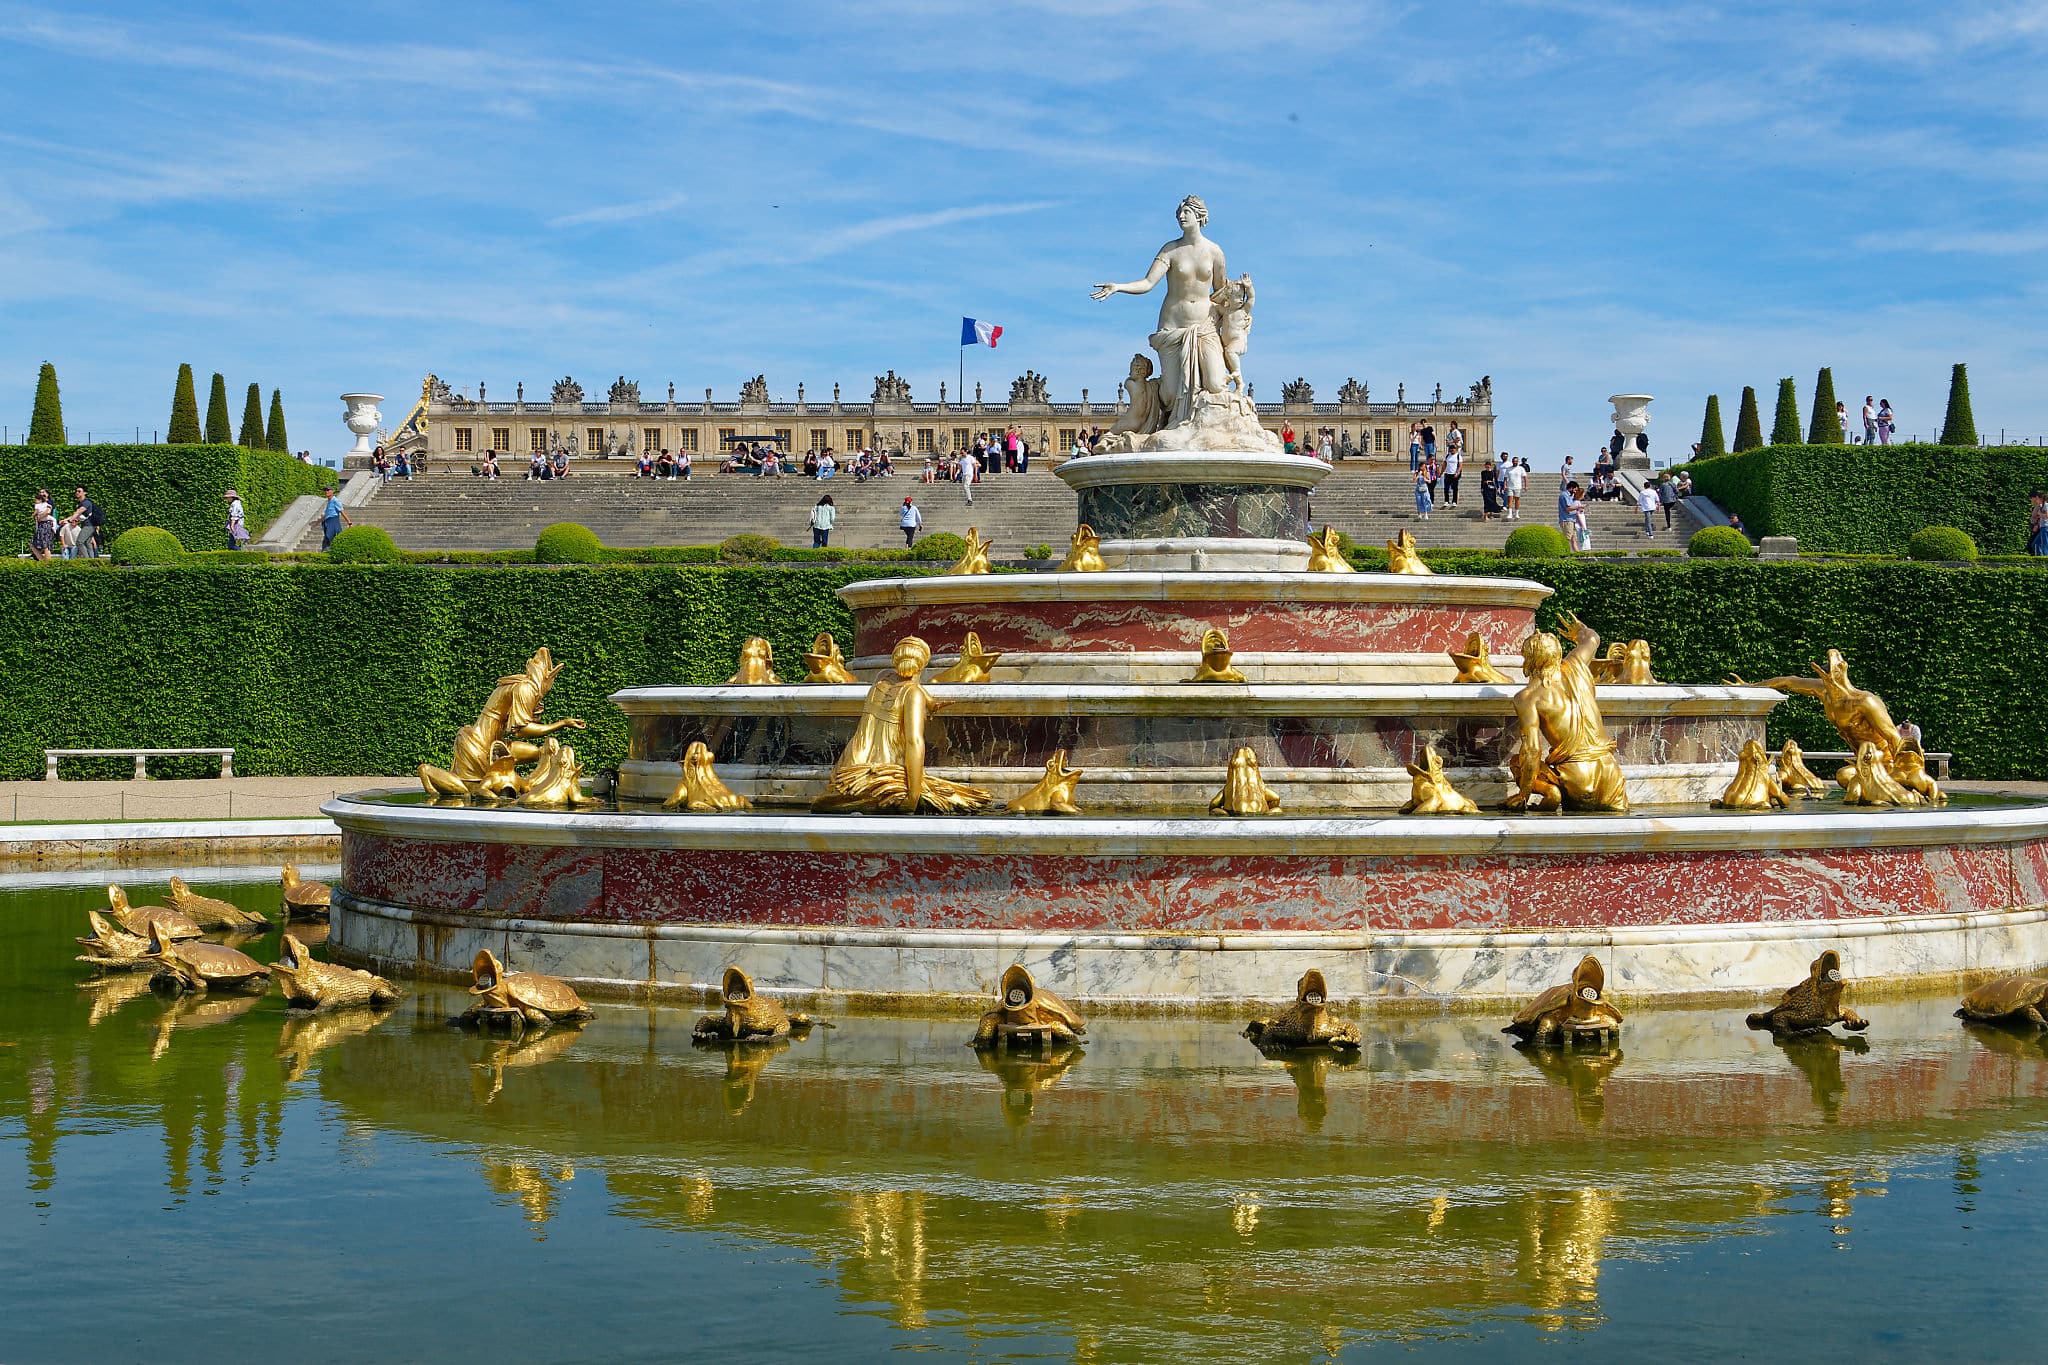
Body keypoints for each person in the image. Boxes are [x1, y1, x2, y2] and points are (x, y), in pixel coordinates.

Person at [68, 487, 105, 557]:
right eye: (76, 491)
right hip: (89, 525)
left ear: (85, 493)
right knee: (88, 544)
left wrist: (69, 520)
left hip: (89, 525)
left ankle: (87, 559)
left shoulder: (86, 503)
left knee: (79, 542)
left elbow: (78, 512)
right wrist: (66, 519)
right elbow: (77, 514)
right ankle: (91, 561)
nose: (77, 493)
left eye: (79, 491)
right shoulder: (83, 503)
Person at [319, 484, 350, 550]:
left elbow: (342, 512)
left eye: (328, 490)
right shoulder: (329, 501)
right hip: (328, 521)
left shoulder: (335, 501)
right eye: (325, 490)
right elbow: (327, 514)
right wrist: (318, 522)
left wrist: (349, 523)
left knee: (329, 538)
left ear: (332, 491)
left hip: (333, 521)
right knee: (327, 539)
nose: (326, 492)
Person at [29, 489, 56, 561]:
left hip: (46, 524)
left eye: (43, 492)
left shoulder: (49, 503)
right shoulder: (38, 505)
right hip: (41, 524)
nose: (41, 494)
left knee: (45, 544)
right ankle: (42, 560)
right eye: (40, 492)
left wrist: (39, 516)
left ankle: (47, 563)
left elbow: (47, 512)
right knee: (33, 544)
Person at [1442, 442, 1463, 506]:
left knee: (1455, 488)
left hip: (1454, 474)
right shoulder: (1447, 456)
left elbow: (1460, 466)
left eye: (1453, 449)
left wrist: (1457, 472)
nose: (1451, 450)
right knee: (1446, 488)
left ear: (1455, 449)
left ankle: (1454, 501)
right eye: (1450, 449)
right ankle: (1446, 501)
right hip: (1448, 473)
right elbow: (1444, 464)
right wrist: (1441, 472)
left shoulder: (1458, 456)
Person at [2030, 491, 2048, 557]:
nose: (2036, 500)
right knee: (2036, 543)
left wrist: (2040, 515)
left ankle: (2045, 559)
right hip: (2042, 527)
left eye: (2037, 498)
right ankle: (2039, 558)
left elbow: (2047, 516)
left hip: (2045, 527)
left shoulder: (2046, 505)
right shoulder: (2042, 506)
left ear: (2041, 498)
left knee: (2044, 544)